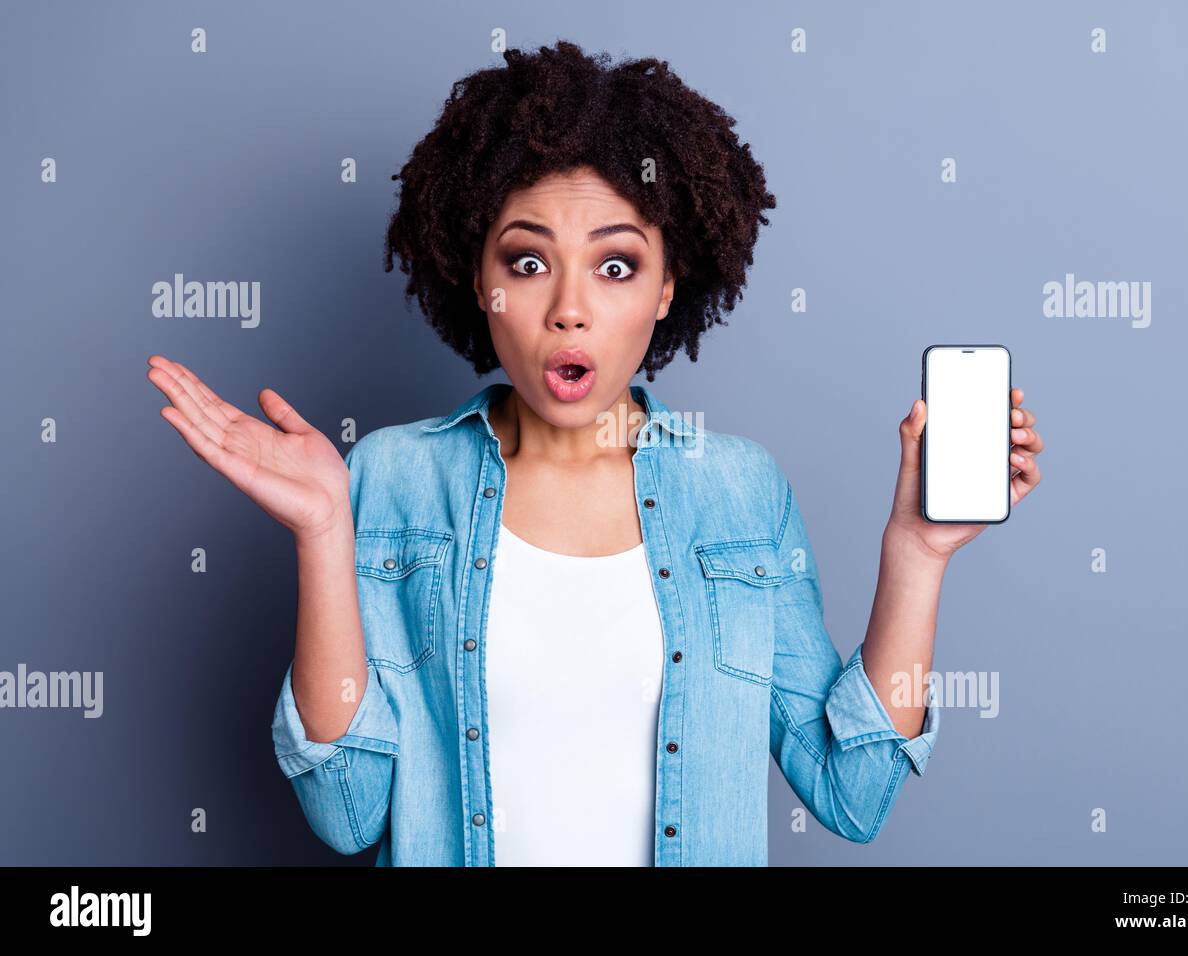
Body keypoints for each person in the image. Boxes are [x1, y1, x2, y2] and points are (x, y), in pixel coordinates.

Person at [146, 40, 1044, 866]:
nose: (568, 308)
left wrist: (917, 557)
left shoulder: (739, 491)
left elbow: (854, 793)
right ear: (480, 283)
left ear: (666, 290)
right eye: (528, 263)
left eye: (616, 266)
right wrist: (321, 530)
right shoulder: (391, 478)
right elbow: (347, 811)